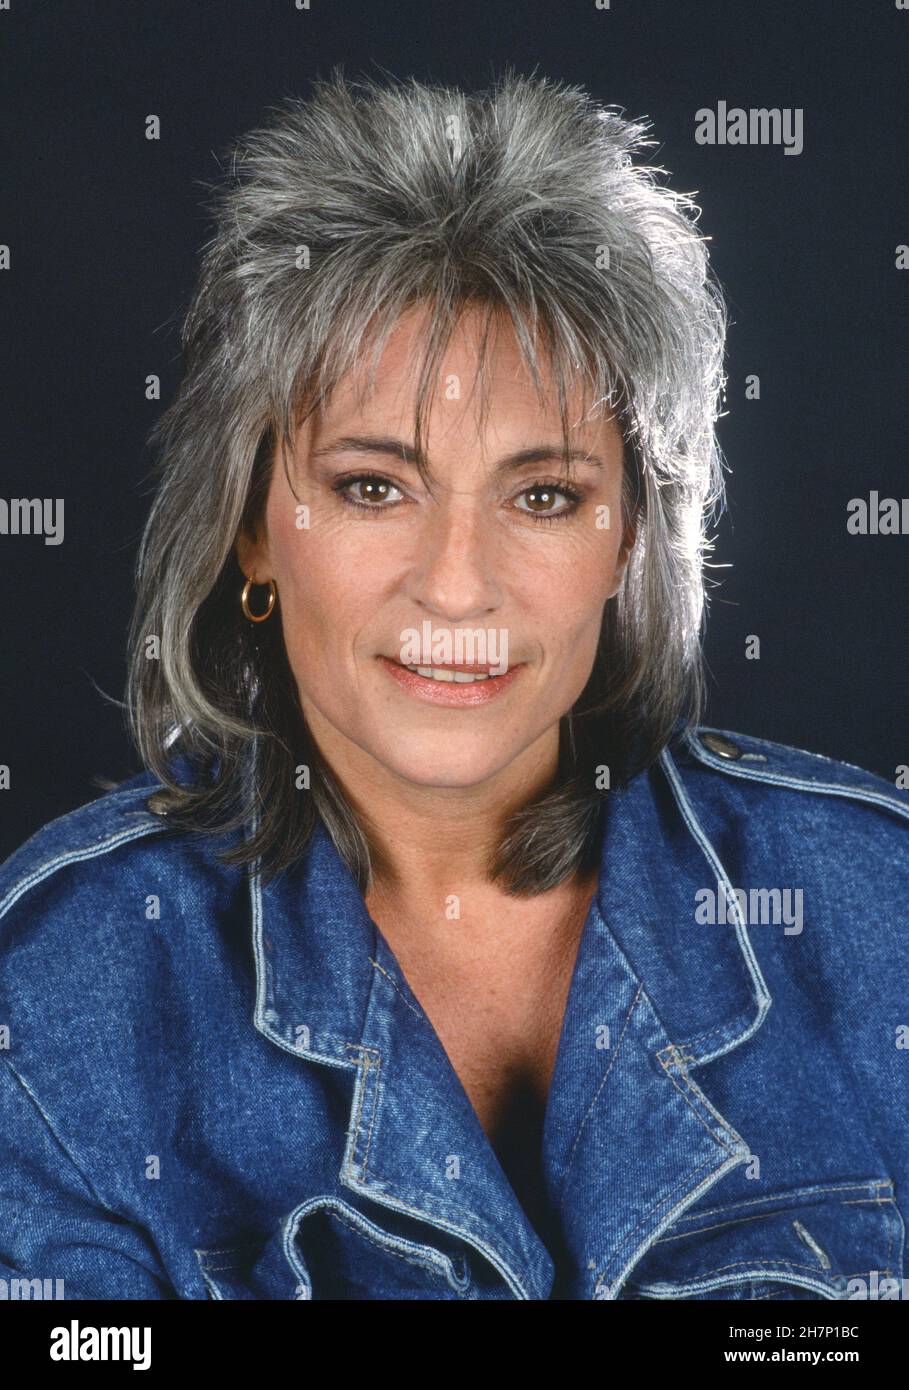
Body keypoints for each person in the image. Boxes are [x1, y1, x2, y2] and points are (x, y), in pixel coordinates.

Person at [1, 68, 906, 1303]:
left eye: (545, 496)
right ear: (253, 530)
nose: (459, 585)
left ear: (631, 538)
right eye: (375, 485)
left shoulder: (878, 908)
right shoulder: (61, 983)